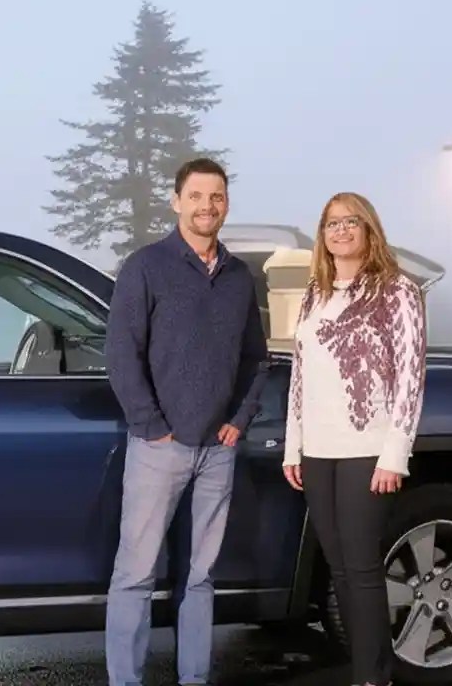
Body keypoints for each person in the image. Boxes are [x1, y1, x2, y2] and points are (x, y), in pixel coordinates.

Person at [104, 157, 270, 686]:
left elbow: (255, 358)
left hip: (217, 450)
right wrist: (151, 424)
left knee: (201, 578)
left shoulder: (240, 277)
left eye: (216, 196)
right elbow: (121, 354)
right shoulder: (145, 266)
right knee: (134, 575)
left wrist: (239, 420)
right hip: (159, 447)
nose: (207, 206)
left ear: (226, 203)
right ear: (177, 201)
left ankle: (193, 679)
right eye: (196, 196)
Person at [280, 191, 426, 686]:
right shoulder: (314, 293)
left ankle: (373, 678)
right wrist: (292, 447)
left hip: (369, 450)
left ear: (369, 230)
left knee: (362, 570)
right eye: (331, 224)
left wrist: (395, 455)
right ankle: (366, 669)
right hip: (318, 453)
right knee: (339, 572)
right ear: (323, 235)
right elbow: (301, 376)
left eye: (351, 222)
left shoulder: (396, 291)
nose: (340, 231)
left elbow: (410, 377)